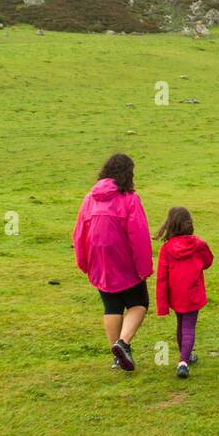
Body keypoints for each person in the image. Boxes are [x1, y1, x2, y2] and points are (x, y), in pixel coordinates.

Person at [72, 153, 153, 371]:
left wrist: (83, 262)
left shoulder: (89, 198)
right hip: (124, 261)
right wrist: (144, 267)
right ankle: (123, 343)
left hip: (99, 263)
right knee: (139, 304)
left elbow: (79, 233)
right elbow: (139, 235)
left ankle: (117, 358)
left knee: (112, 306)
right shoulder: (130, 199)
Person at [155, 207, 214, 380]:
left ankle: (185, 356)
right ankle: (183, 361)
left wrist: (162, 304)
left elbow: (162, 278)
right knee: (188, 326)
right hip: (193, 293)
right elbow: (208, 261)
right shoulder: (198, 244)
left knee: (181, 325)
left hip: (176, 295)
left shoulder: (166, 250)